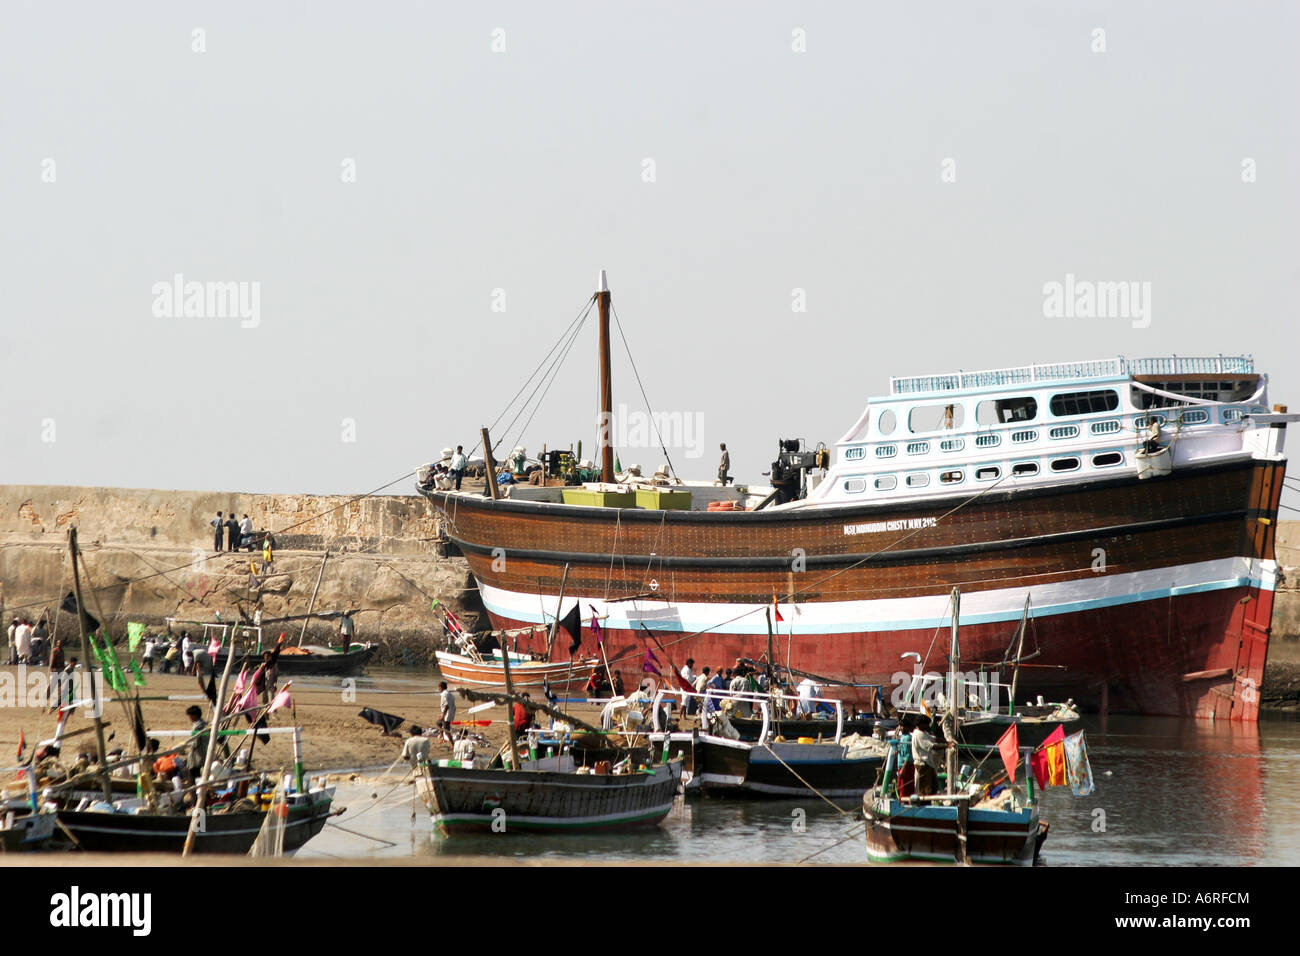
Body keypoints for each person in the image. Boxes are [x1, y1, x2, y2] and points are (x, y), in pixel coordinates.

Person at [911, 717, 939, 796]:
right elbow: (931, 746)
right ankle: (924, 804)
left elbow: (934, 739)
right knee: (925, 789)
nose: (928, 726)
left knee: (933, 786)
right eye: (926, 724)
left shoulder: (924, 732)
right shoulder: (918, 734)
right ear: (921, 724)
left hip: (928, 764)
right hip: (923, 764)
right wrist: (947, 746)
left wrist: (947, 741)